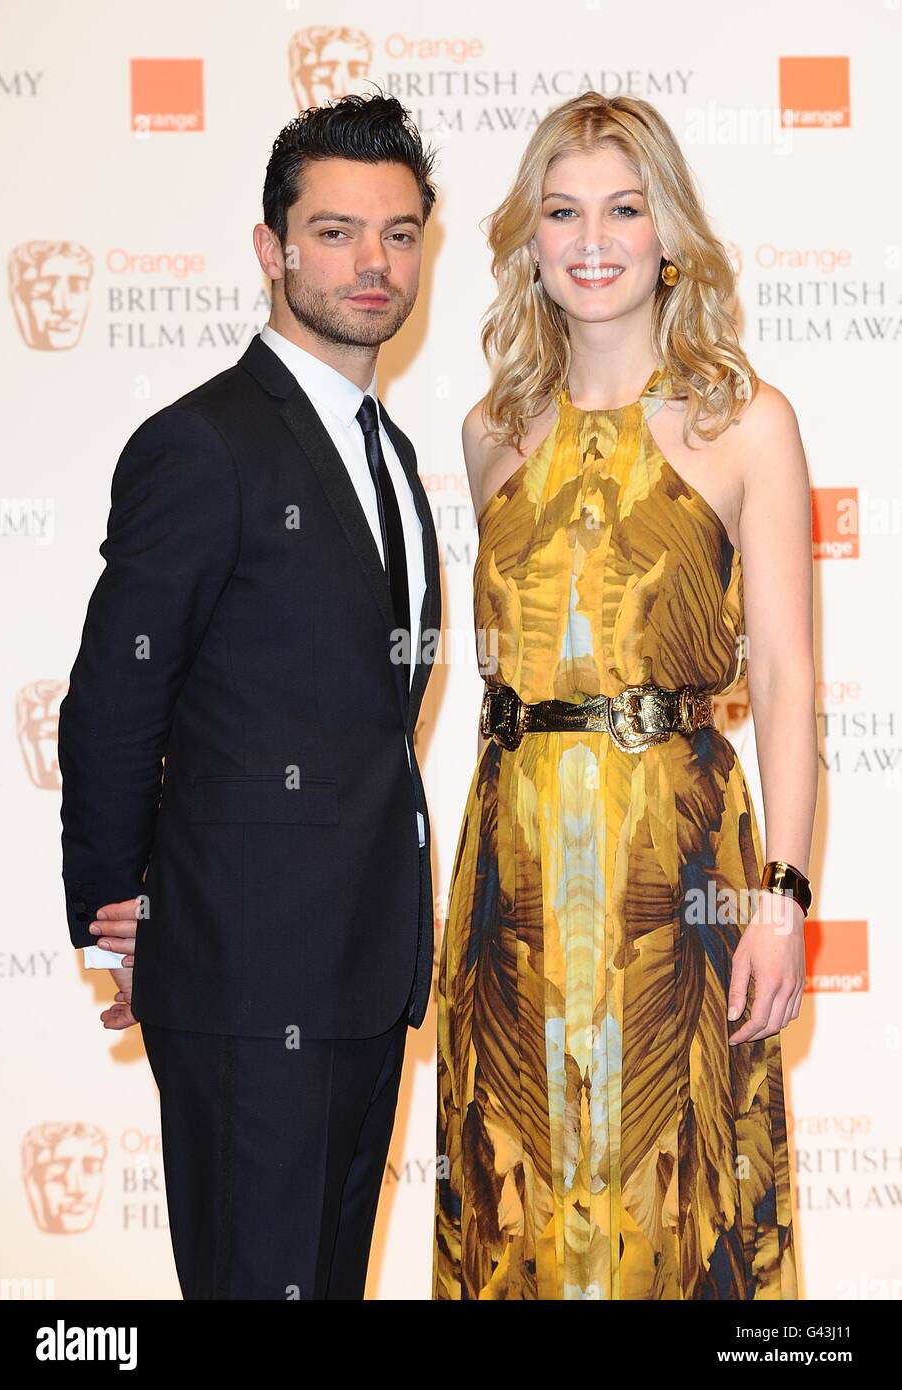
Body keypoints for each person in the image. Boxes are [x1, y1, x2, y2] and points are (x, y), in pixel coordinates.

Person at [58, 92, 441, 1300]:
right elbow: (115, 696)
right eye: (333, 232)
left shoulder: (387, 451)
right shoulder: (205, 445)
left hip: (363, 975)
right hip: (245, 975)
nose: (370, 262)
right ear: (271, 250)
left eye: (396, 232)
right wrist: (115, 905)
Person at [434, 92, 815, 1300]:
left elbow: (792, 678)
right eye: (562, 212)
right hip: (515, 867)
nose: (591, 239)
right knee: (513, 1186)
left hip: (681, 862)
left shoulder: (745, 423)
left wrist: (786, 896)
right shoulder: (491, 431)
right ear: (530, 243)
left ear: (667, 234)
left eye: (621, 207)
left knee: (685, 1181)